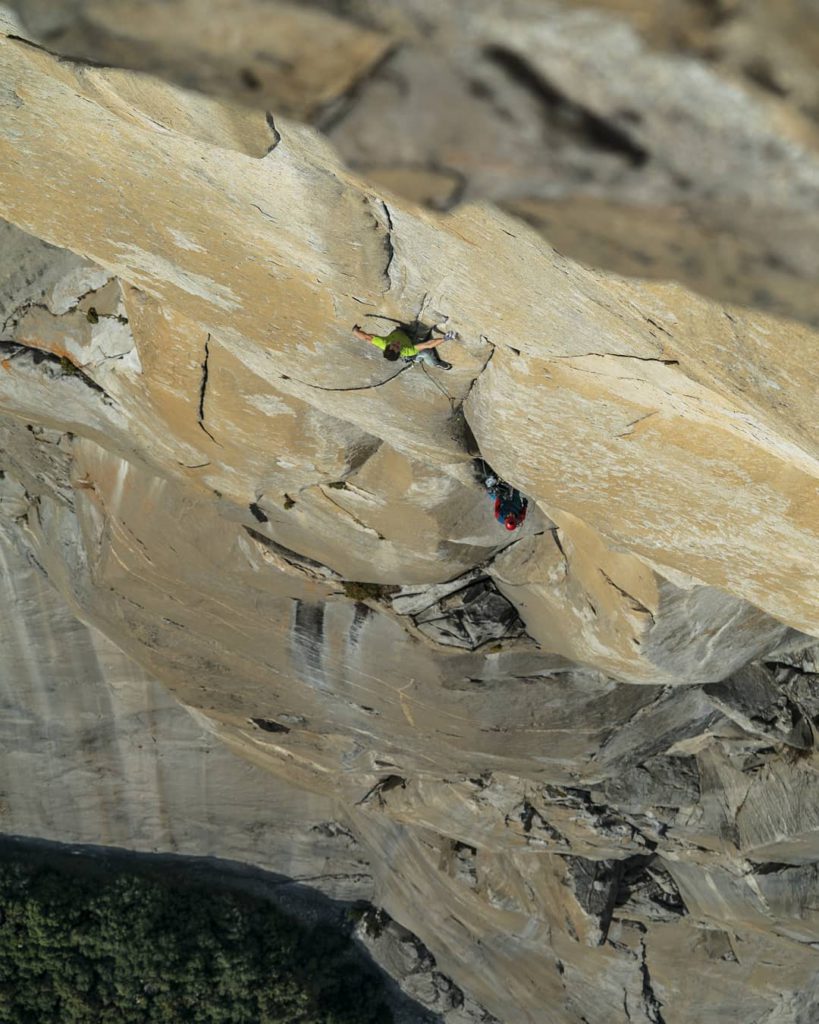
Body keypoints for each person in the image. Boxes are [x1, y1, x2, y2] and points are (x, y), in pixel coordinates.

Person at [352, 324, 454, 370]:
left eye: (393, 344)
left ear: (388, 345)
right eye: (397, 346)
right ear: (399, 351)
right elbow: (428, 344)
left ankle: (418, 358)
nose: (396, 343)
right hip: (413, 354)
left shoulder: (383, 343)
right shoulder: (407, 351)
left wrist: (355, 331)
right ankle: (437, 364)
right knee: (427, 352)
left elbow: (366, 338)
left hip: (405, 336)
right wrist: (445, 338)